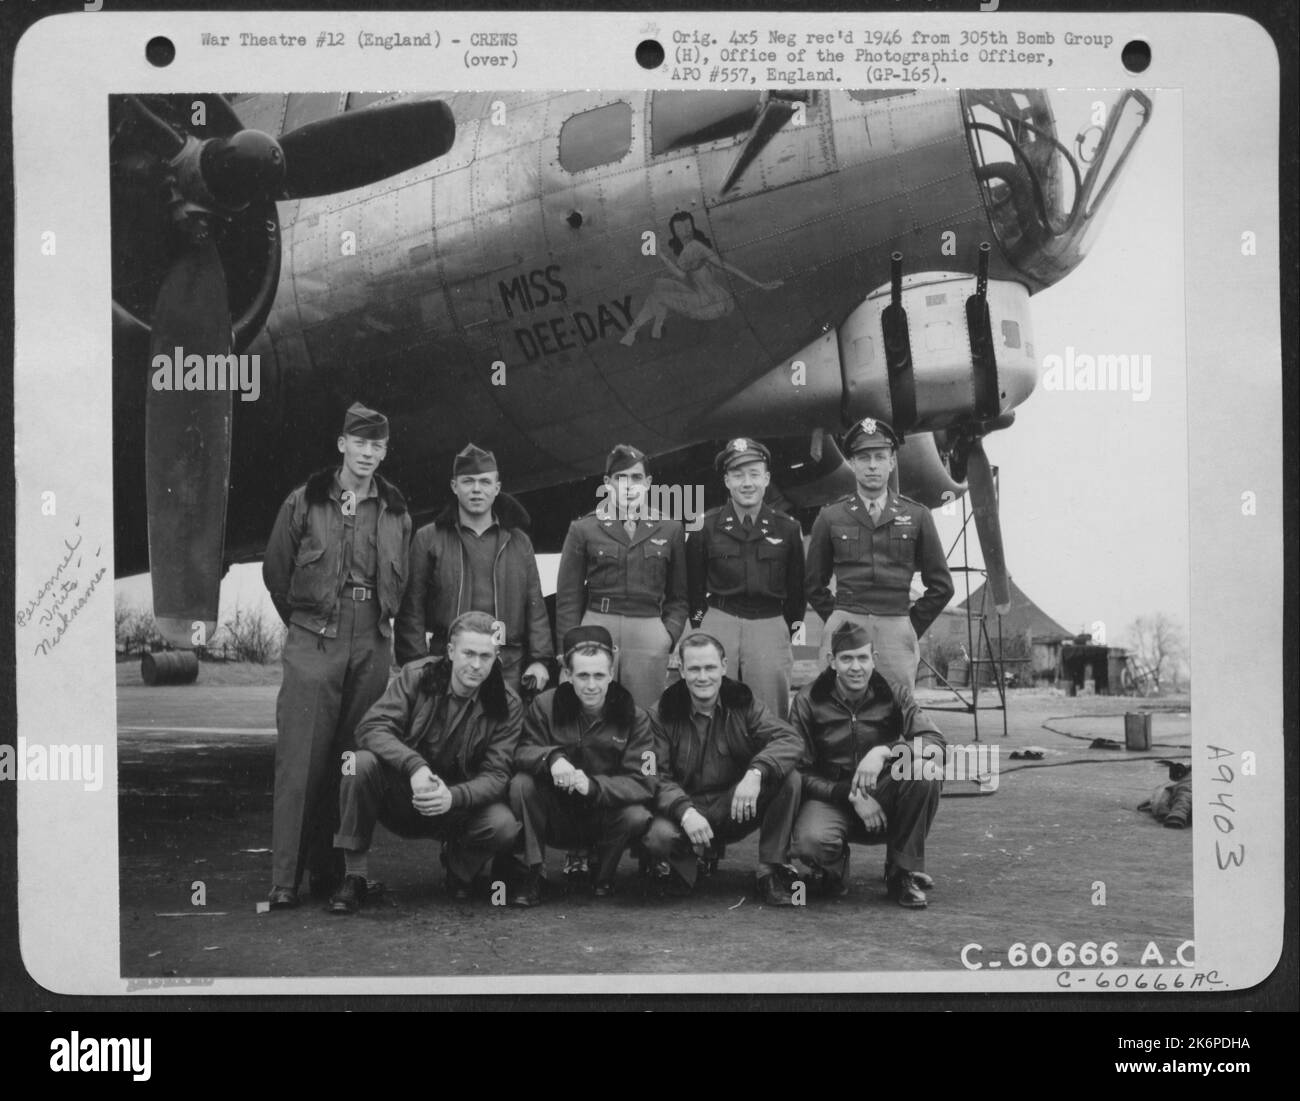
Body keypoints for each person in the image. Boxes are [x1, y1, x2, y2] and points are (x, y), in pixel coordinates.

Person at [261, 401, 412, 909]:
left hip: (372, 639)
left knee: (353, 762)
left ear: (384, 451)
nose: (367, 453)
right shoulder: (305, 501)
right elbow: (276, 571)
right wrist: (306, 627)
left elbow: (402, 582)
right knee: (299, 760)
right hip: (314, 639)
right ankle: (285, 879)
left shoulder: (396, 511)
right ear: (342, 444)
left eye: (377, 445)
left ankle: (335, 873)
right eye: (359, 443)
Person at [327, 611, 523, 913]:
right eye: (468, 653)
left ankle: (459, 870)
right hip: (404, 795)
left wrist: (453, 797)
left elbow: (497, 775)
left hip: (456, 807)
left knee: (504, 825)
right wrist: (414, 766)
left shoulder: (507, 703)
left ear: (496, 657)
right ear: (449, 651)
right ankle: (355, 876)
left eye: (485, 656)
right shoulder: (416, 676)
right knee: (356, 763)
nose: (475, 664)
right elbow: (370, 728)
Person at [642, 633, 806, 905]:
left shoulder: (744, 704)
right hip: (685, 809)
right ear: (681, 670)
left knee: (790, 779)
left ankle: (771, 869)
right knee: (658, 837)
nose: (703, 677)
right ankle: (686, 860)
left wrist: (756, 773)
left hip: (732, 805)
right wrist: (684, 812)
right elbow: (653, 774)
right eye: (694, 669)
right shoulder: (659, 715)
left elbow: (790, 739)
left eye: (710, 668)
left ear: (724, 666)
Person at [789, 621, 944, 908]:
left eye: (862, 658)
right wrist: (849, 794)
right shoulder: (807, 700)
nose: (855, 667)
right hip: (832, 796)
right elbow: (798, 768)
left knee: (926, 771)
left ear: (874, 659)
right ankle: (831, 870)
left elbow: (935, 743)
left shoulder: (895, 694)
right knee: (811, 841)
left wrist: (887, 751)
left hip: (883, 792)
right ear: (831, 662)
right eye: (846, 659)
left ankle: (901, 872)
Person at [508, 626, 657, 905]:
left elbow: (645, 780)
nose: (591, 685)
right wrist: (552, 758)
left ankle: (604, 872)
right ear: (567, 675)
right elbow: (520, 751)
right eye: (582, 675)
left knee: (636, 815)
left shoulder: (636, 718)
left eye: (599, 675)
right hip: (557, 813)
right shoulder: (543, 706)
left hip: (602, 812)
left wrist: (593, 785)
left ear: (611, 674)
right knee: (521, 784)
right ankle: (532, 871)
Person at [805, 417, 953, 692]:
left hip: (896, 626)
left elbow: (942, 586)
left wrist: (909, 626)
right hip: (845, 623)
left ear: (892, 462)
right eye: (863, 457)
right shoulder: (830, 516)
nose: (872, 465)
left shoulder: (917, 515)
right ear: (851, 462)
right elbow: (813, 583)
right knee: (836, 710)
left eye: (879, 456)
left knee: (895, 711)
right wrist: (838, 619)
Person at [394, 443, 554, 694]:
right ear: (454, 486)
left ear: (497, 488)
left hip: (507, 662)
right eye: (468, 481)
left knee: (504, 731)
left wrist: (540, 660)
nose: (477, 489)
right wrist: (418, 663)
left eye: (485, 482)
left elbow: (535, 606)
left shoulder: (518, 541)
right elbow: (411, 608)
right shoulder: (429, 538)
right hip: (447, 661)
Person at [555, 444, 688, 709]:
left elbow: (679, 596)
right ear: (607, 483)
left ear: (648, 483)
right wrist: (568, 644)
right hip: (596, 625)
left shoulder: (670, 529)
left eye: (636, 478)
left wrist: (667, 635)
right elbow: (568, 596)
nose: (629, 486)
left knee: (645, 713)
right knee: (588, 708)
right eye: (621, 478)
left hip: (648, 629)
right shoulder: (584, 529)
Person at [687, 437, 805, 717]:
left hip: (769, 624)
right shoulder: (705, 525)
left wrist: (783, 632)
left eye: (754, 474)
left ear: (766, 479)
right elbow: (691, 588)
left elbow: (797, 591)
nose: (747, 483)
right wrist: (703, 628)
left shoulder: (788, 529)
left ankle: (767, 761)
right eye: (738, 475)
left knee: (769, 711)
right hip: (719, 620)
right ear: (726, 481)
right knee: (711, 706)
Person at [620, 211, 783, 344]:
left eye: (687, 227)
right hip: (714, 300)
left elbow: (722, 266)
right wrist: (662, 256)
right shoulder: (688, 250)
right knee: (658, 284)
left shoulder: (694, 247)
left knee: (657, 296)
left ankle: (634, 333)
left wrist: (758, 284)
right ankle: (653, 329)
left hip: (710, 305)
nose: (685, 231)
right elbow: (683, 275)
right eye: (680, 228)